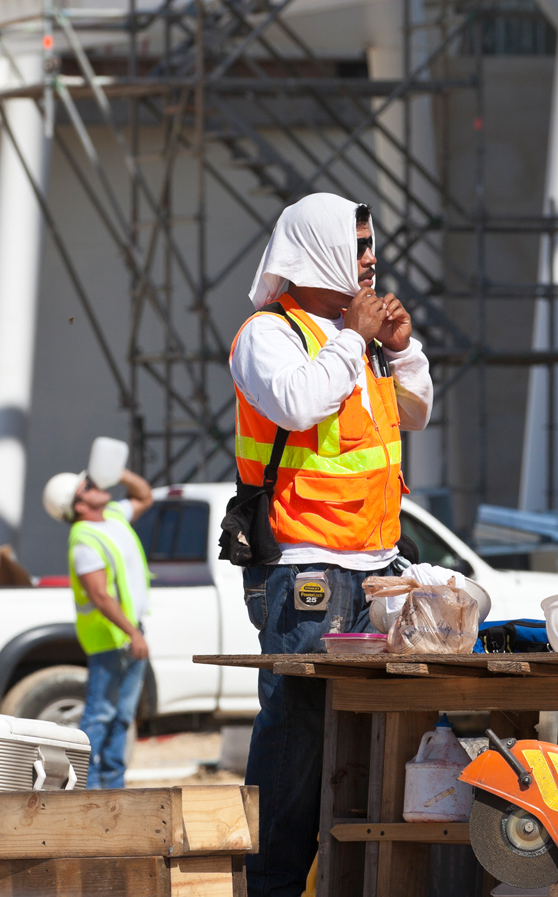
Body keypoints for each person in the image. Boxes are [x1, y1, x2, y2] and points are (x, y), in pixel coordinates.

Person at [227, 192, 431, 896]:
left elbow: (416, 412)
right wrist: (355, 337)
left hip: (375, 566)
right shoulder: (269, 333)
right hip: (305, 569)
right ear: (319, 252)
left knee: (372, 732)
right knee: (299, 729)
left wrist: (401, 349)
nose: (372, 260)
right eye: (361, 245)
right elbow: (296, 402)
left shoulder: (362, 340)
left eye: (372, 245)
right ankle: (269, 883)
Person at [42, 461, 153, 789]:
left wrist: (115, 472)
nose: (95, 484)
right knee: (100, 716)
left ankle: (112, 788)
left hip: (129, 634)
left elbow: (144, 495)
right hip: (110, 639)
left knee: (121, 717)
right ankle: (86, 789)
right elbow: (100, 596)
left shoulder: (114, 516)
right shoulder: (84, 539)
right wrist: (132, 633)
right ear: (78, 505)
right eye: (88, 485)